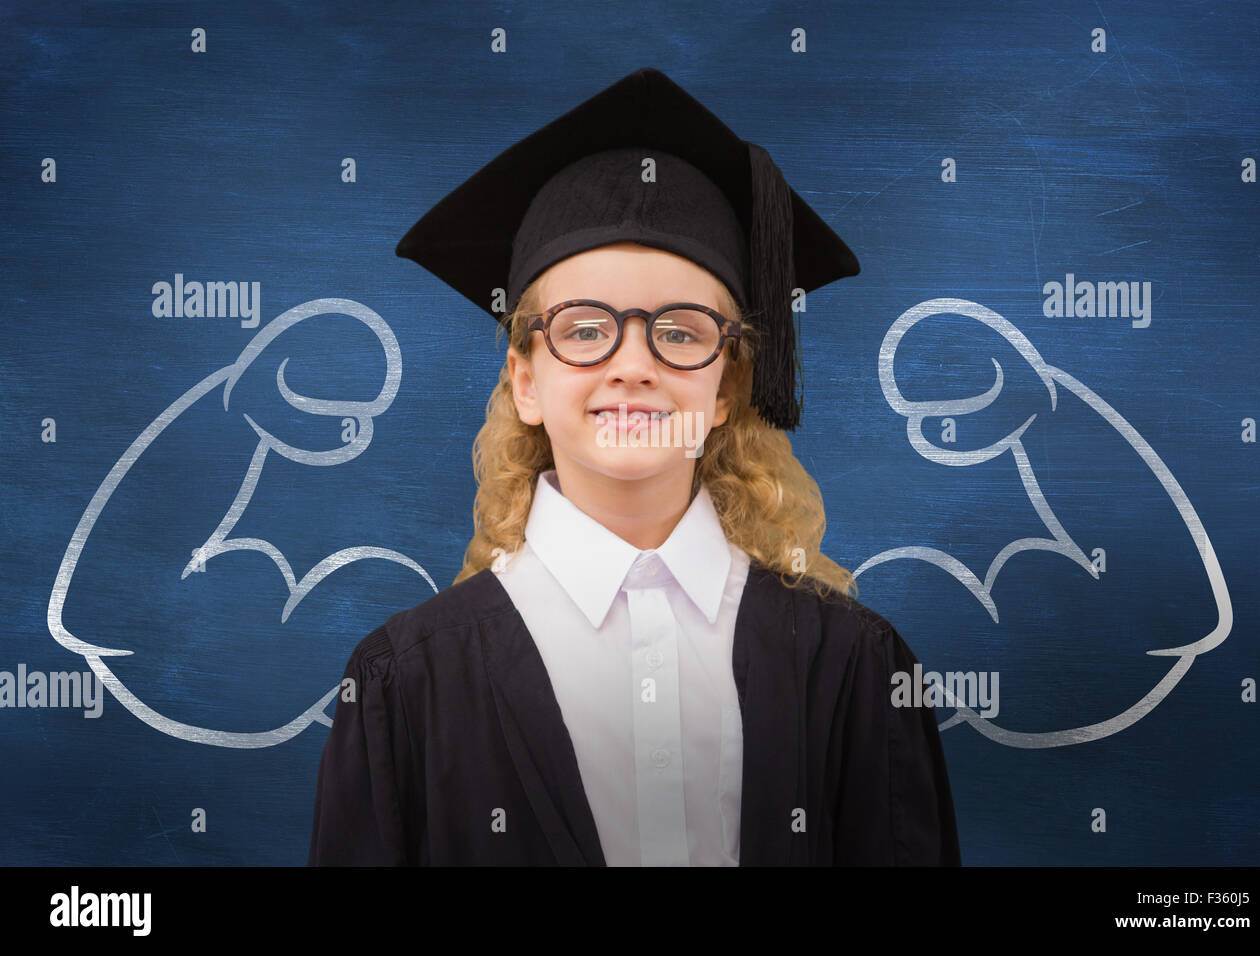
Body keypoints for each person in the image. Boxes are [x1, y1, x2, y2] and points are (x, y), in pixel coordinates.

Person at [307, 66, 960, 866]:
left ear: (727, 387)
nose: (632, 364)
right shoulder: (404, 685)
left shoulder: (853, 665)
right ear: (525, 380)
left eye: (681, 333)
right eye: (585, 330)